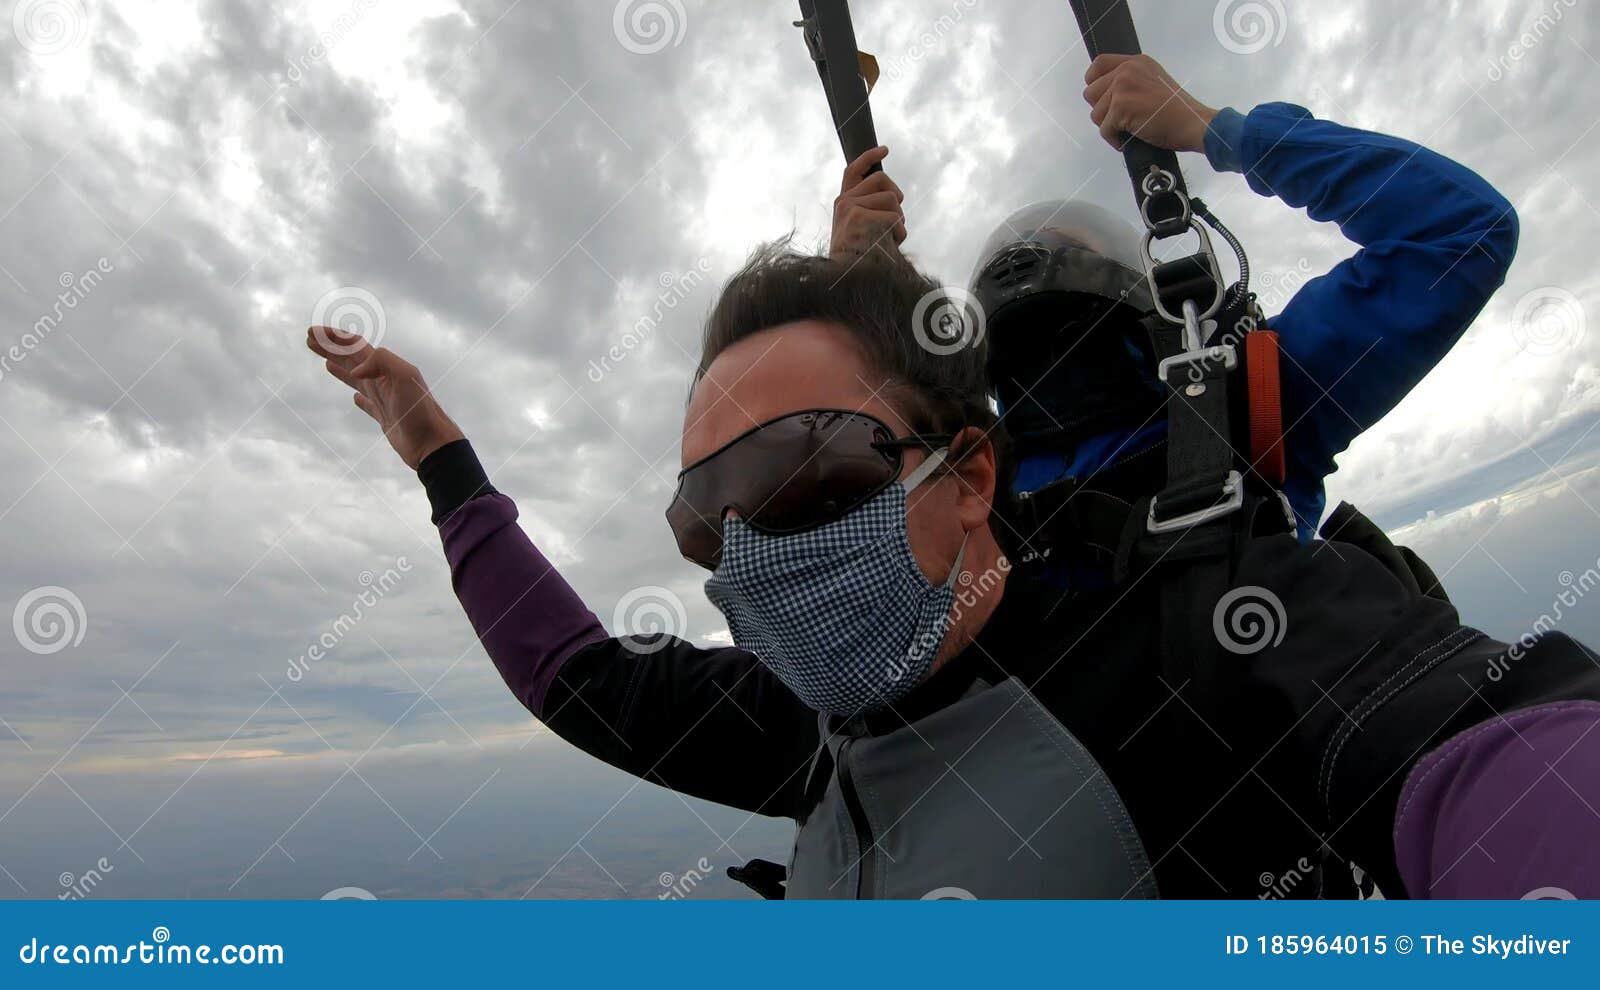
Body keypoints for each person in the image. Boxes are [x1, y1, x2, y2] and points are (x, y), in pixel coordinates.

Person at [307, 62, 1600, 900]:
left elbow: (1481, 747)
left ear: (975, 470)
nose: (757, 549)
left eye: (816, 481)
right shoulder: (858, 674)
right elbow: (600, 672)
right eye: (713, 519)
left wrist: (1213, 128)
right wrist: (438, 450)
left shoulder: (1223, 539)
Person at [833, 55, 1521, 544]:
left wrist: (1212, 127)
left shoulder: (1250, 397)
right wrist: (846, 298)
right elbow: (1462, 233)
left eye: (1062, 239)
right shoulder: (963, 469)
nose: (1039, 249)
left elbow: (1460, 232)